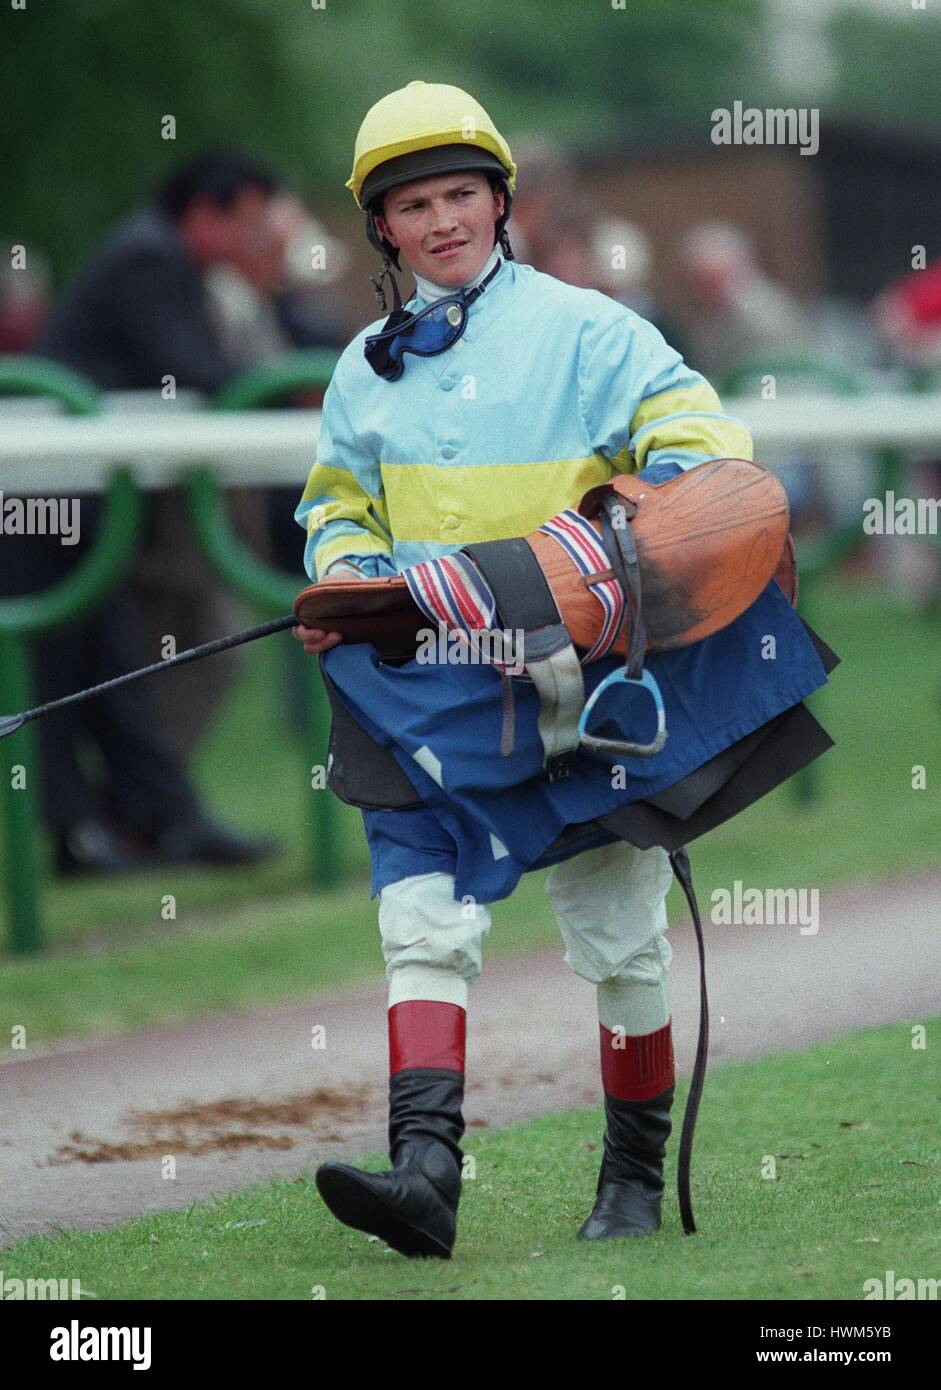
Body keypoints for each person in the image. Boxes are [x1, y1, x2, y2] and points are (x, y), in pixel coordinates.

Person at [290, 82, 805, 1257]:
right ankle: (425, 1176)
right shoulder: (360, 374)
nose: (439, 221)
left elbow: (706, 453)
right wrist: (351, 578)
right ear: (382, 228)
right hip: (429, 685)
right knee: (420, 921)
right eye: (412, 204)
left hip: (579, 683)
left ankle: (629, 1177)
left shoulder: (591, 330)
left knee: (616, 934)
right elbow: (335, 507)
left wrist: (600, 535)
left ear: (499, 200)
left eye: (458, 194)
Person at [12, 150, 302, 871]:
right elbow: (194, 370)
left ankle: (151, 818)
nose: (252, 238)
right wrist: (289, 393)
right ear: (203, 215)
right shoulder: (148, 261)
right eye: (245, 222)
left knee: (107, 668)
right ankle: (85, 832)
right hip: (45, 499)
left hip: (78, 496)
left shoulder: (159, 258)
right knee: (53, 670)